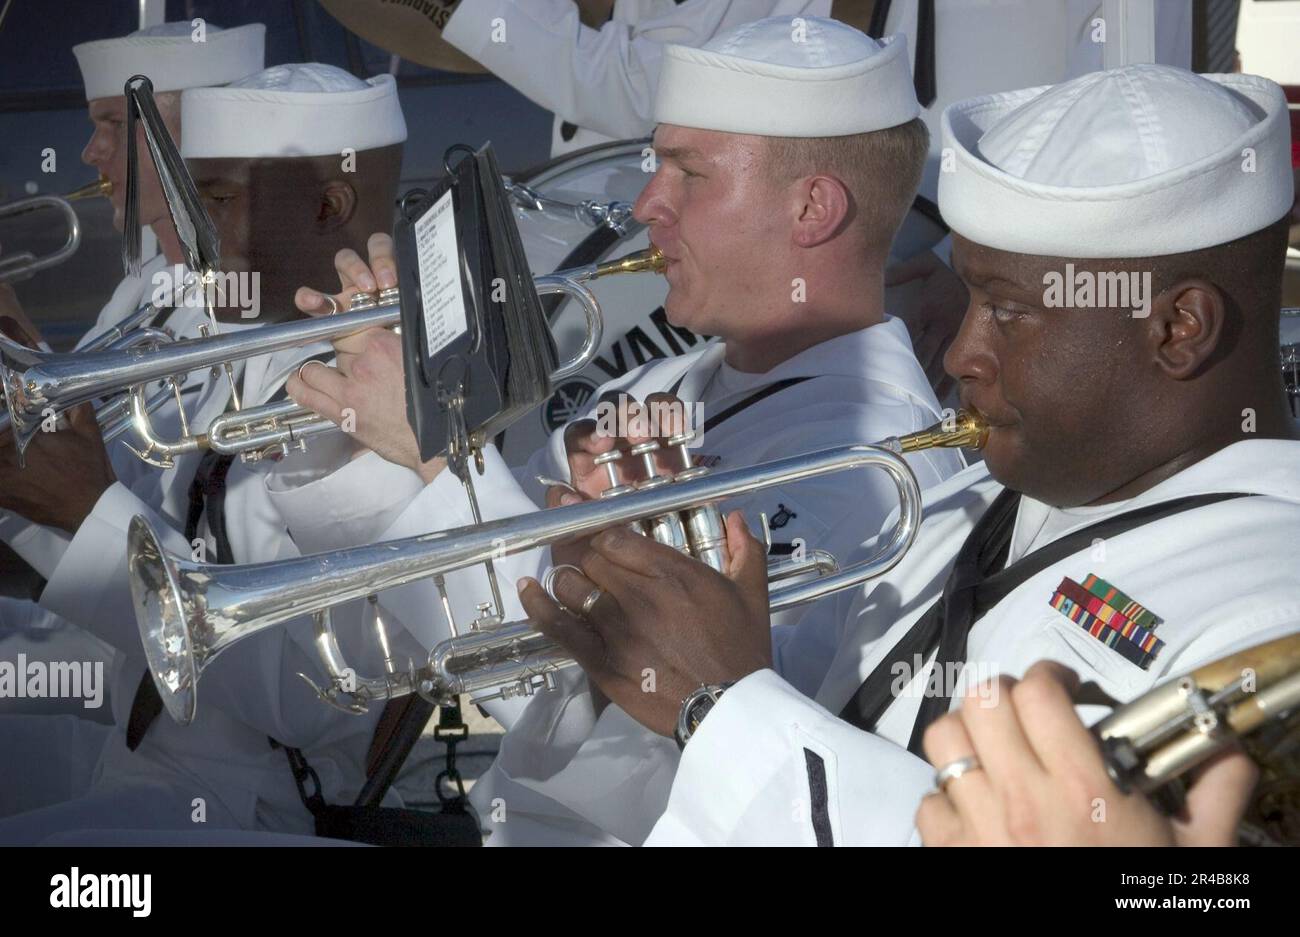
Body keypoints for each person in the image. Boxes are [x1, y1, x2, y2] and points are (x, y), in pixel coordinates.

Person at [516, 62, 1300, 845]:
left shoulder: (1268, 617)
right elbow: (722, 775)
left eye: (1008, 311)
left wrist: (724, 700)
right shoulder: (962, 508)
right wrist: (634, 629)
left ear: (1177, 328)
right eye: (969, 300)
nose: (960, 353)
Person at [285, 19, 964, 743]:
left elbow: (657, 745)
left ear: (812, 208)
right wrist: (373, 397)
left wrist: (436, 452)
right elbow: (421, 625)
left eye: (689, 174)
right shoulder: (654, 387)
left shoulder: (883, 476)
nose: (648, 206)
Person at [0, 64, 414, 843]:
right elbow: (111, 506)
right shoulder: (231, 329)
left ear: (332, 205)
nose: (187, 230)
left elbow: (314, 696)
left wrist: (82, 513)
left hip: (253, 803)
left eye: (216, 199)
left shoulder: (376, 388)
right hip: (140, 748)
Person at [0, 21, 266, 720]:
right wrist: (12, 337)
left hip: (155, 684)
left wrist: (77, 502)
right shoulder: (145, 285)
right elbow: (65, 428)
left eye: (114, 124)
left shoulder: (254, 320)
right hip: (91, 632)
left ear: (199, 134)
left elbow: (95, 483)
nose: (90, 152)